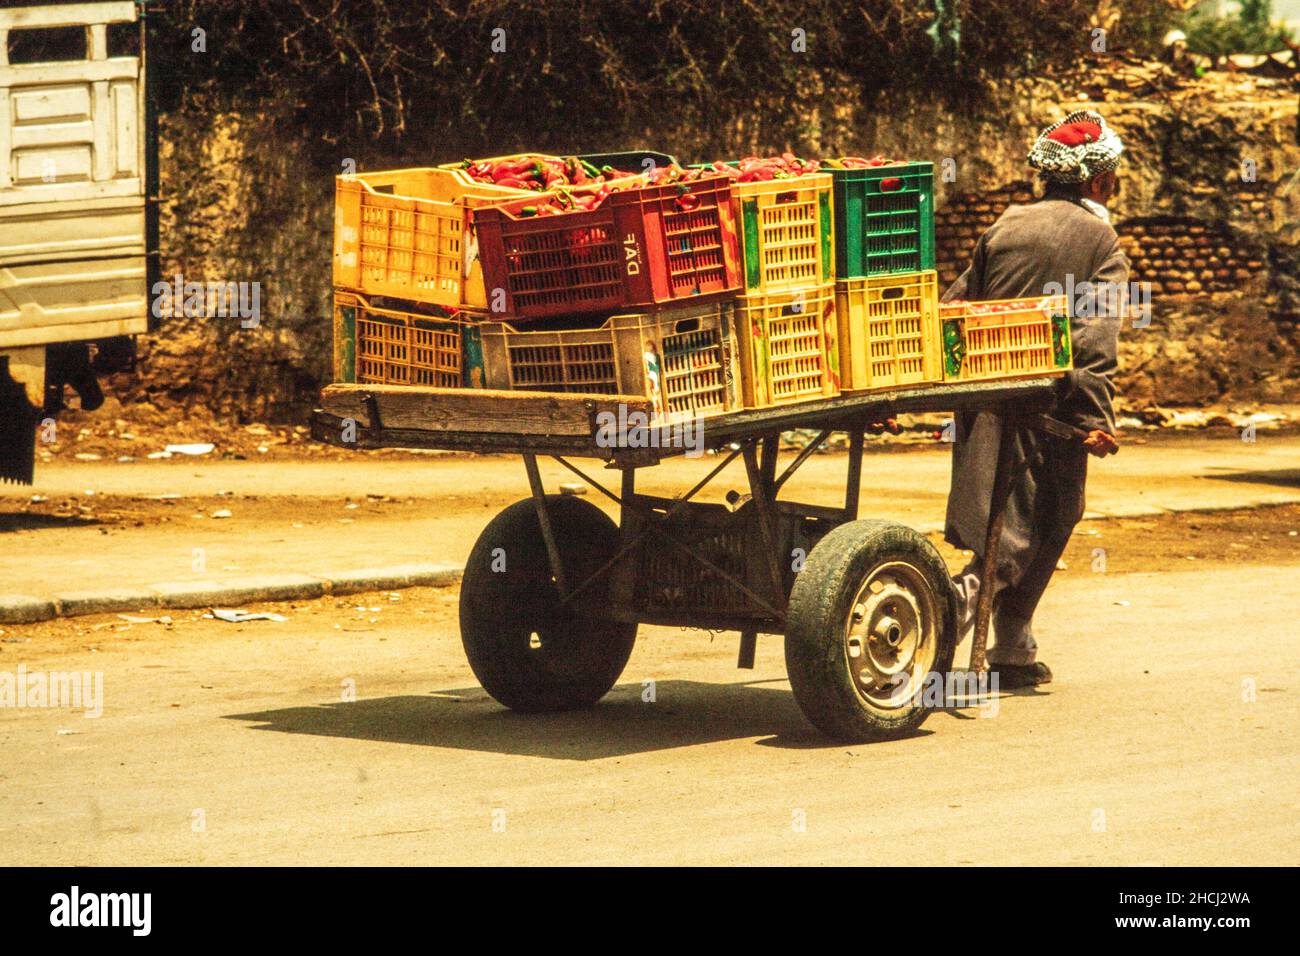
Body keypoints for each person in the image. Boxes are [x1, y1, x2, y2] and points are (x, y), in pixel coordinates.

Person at [944, 109, 1127, 688]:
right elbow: (1095, 336)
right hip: (1050, 412)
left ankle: (1014, 648)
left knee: (1003, 519)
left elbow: (954, 304)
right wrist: (1097, 418)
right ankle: (944, 617)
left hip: (985, 402)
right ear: (1100, 182)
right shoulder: (1101, 240)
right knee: (1032, 528)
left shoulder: (1005, 225)